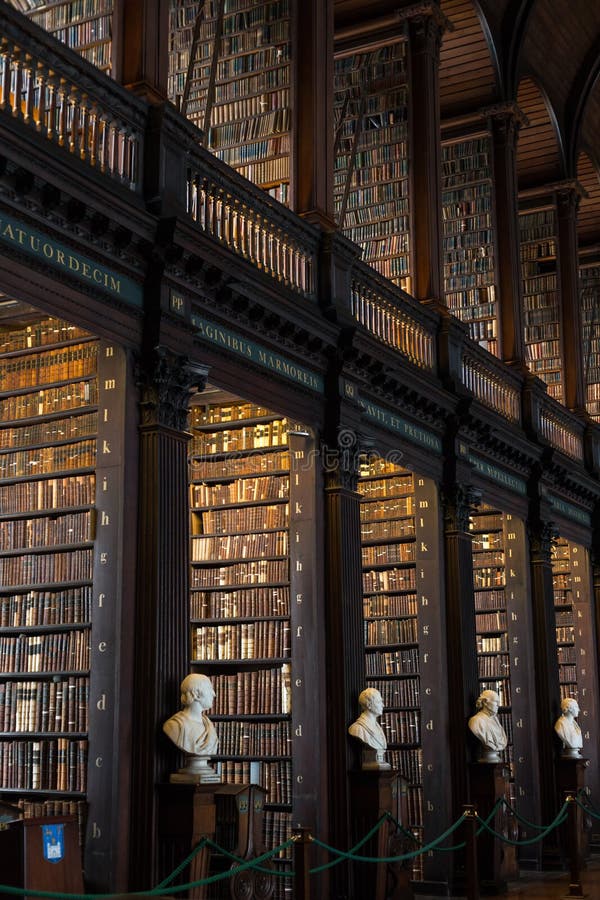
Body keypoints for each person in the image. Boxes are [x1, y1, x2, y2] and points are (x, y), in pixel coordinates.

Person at [163, 672, 219, 757]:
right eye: (209, 688)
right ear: (196, 694)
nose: (214, 694)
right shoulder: (174, 725)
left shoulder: (208, 725)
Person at [468, 689, 508, 758]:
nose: (498, 705)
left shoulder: (495, 720)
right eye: (496, 702)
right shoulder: (476, 721)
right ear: (485, 702)